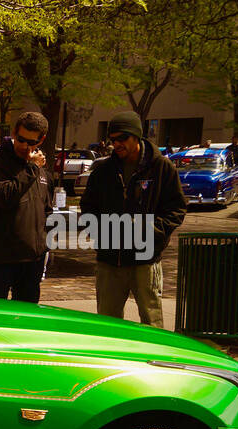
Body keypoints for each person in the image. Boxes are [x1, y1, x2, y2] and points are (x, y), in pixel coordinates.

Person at [79, 110, 186, 328]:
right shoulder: (103, 170)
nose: (117, 144)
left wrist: (148, 232)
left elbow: (176, 209)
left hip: (145, 260)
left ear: (136, 136)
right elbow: (88, 206)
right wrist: (100, 232)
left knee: (152, 325)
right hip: (110, 260)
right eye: (113, 139)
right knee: (107, 326)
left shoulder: (162, 167)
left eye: (123, 138)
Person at [0, 111, 51, 302]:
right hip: (0, 259)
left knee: (27, 316)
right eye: (21, 139)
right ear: (13, 133)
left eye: (32, 142)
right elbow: (5, 197)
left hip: (32, 259)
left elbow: (46, 209)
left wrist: (43, 246)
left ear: (41, 140)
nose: (25, 146)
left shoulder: (40, 170)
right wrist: (32, 168)